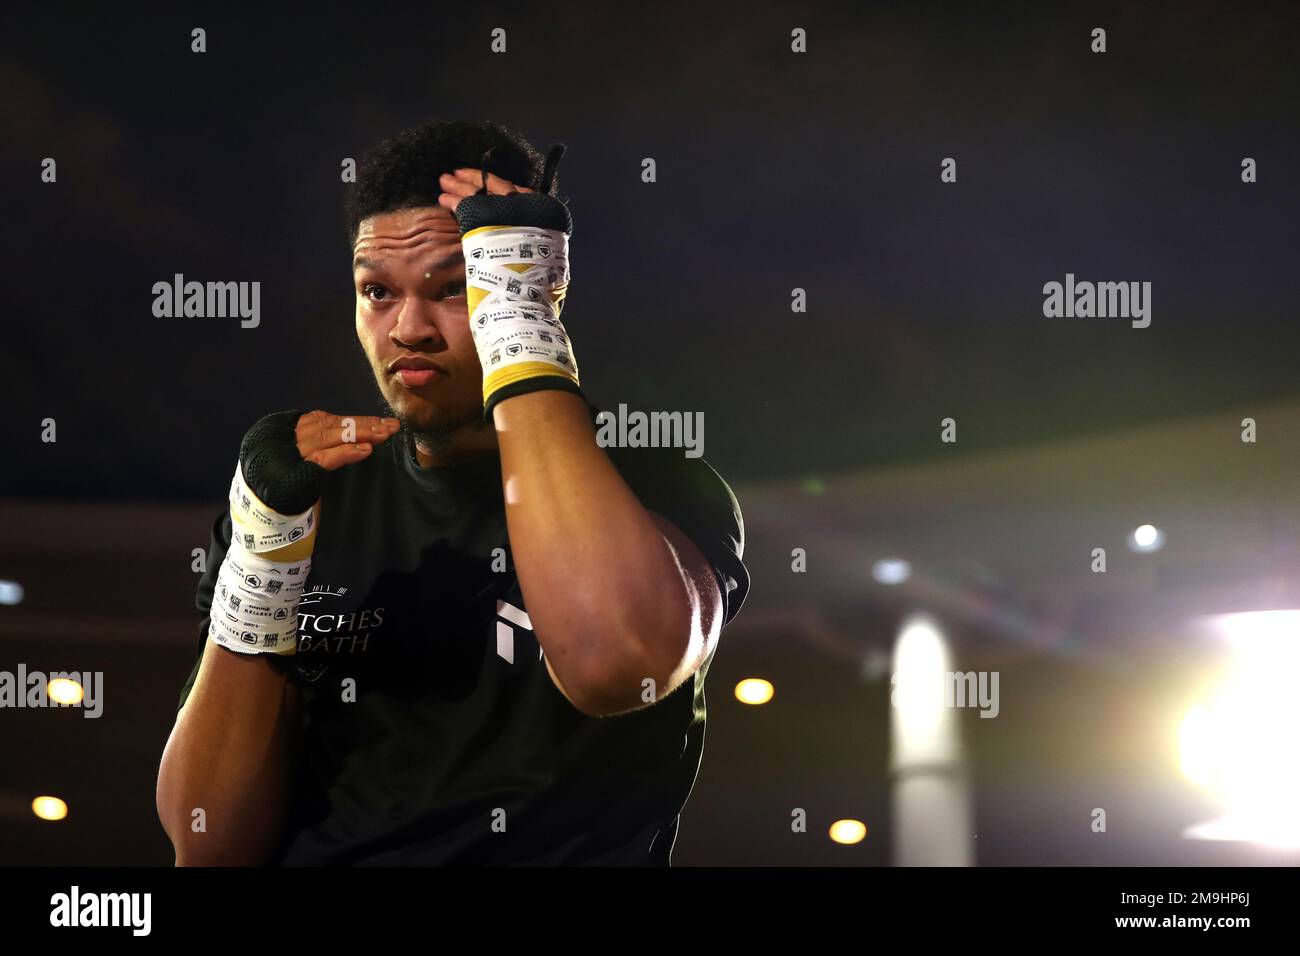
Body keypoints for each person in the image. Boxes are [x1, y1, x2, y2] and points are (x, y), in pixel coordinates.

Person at [156, 119, 749, 865]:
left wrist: (518, 319)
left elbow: (615, 666)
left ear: (532, 286)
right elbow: (206, 844)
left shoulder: (653, 486)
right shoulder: (307, 504)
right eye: (377, 291)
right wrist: (263, 554)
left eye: (454, 289)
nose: (409, 328)